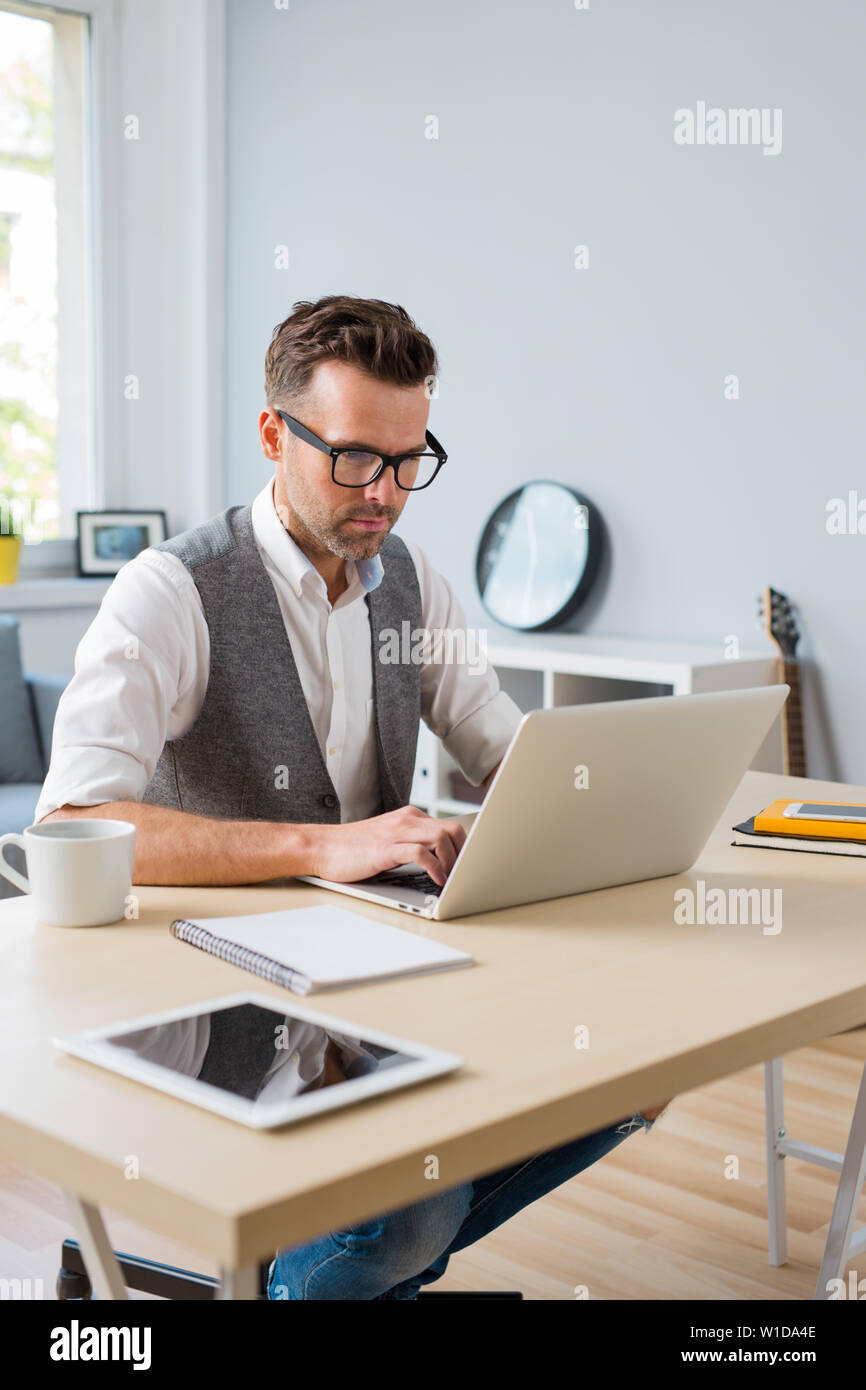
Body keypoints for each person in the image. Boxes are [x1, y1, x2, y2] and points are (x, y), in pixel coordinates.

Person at [37, 295, 670, 1299]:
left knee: (627, 1081)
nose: (383, 491)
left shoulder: (412, 584)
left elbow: (502, 744)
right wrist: (319, 846)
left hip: (379, 978)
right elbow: (75, 823)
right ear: (271, 435)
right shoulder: (174, 591)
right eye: (352, 458)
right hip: (217, 1008)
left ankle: (342, 1276)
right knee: (409, 1210)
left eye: (407, 459)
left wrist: (592, 808)